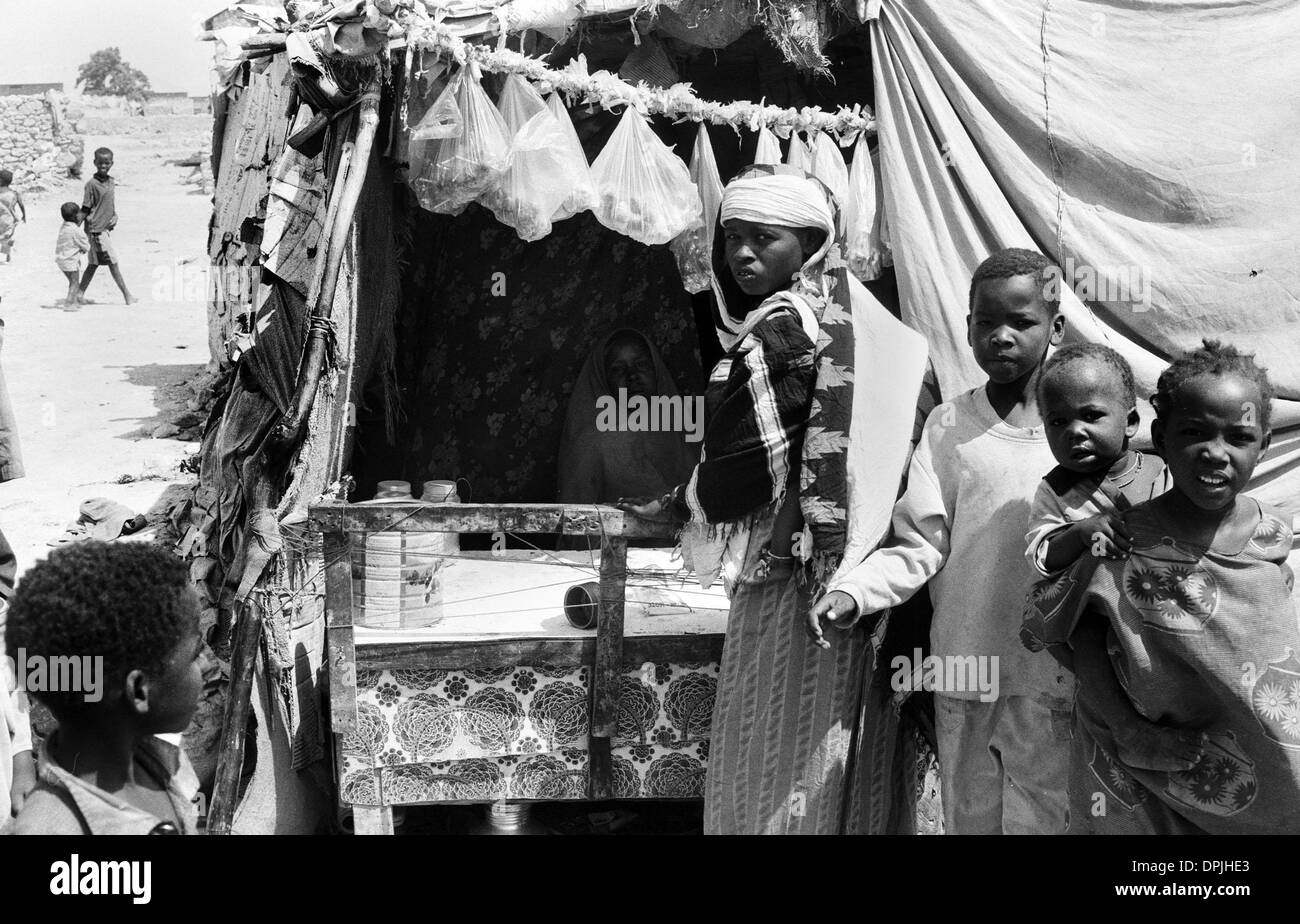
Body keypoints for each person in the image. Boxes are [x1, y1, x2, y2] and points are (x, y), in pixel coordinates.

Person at [624, 165, 931, 834]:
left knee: (772, 729)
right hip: (855, 558)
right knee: (836, 729)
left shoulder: (780, 330)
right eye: (732, 237)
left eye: (764, 238)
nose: (741, 254)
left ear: (813, 240)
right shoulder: (852, 316)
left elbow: (753, 466)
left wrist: (682, 502)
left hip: (788, 563)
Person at [811, 247, 1074, 834]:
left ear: (1056, 327)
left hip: (1052, 673)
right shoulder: (950, 426)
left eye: (1022, 323)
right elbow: (921, 544)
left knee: (1046, 819)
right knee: (970, 816)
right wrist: (856, 593)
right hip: (964, 666)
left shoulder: (1083, 435)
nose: (1001, 337)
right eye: (986, 323)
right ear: (968, 328)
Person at [1024, 339, 1300, 833]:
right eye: (1195, 433)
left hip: (1253, 766)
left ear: (1262, 446)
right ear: (1161, 436)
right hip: (1144, 766)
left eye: (1238, 438)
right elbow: (1071, 630)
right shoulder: (1127, 538)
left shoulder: (1273, 535)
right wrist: (1130, 731)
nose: (1216, 453)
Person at [1022, 343, 1202, 774]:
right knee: (1084, 628)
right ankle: (1128, 731)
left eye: (1092, 415)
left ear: (1132, 422)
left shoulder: (1162, 469)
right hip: (1102, 619)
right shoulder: (1058, 490)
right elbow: (1041, 554)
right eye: (1058, 422)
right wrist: (1081, 532)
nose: (1075, 431)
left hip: (1166, 606)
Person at [3, 542, 209, 834]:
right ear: (139, 690)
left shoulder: (161, 761)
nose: (207, 665)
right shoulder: (54, 837)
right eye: (195, 655)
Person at [558, 328, 697, 505]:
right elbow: (574, 522)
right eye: (617, 369)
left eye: (641, 365)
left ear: (656, 370)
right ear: (603, 379)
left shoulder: (681, 428)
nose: (632, 376)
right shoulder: (591, 445)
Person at [76, 147, 137, 305]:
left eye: (107, 163)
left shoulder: (111, 181)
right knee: (113, 262)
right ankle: (127, 295)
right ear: (95, 163)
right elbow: (85, 208)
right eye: (100, 163)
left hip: (105, 229)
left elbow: (108, 203)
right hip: (96, 230)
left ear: (112, 163)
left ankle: (78, 294)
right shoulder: (91, 184)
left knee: (93, 264)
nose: (103, 166)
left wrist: (115, 216)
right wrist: (74, 228)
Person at [54, 201, 90, 307]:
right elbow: (86, 246)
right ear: (76, 216)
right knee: (74, 282)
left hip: (61, 259)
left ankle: (74, 301)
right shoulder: (76, 230)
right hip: (70, 261)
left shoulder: (64, 226)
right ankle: (69, 303)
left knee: (72, 282)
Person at [0, 170, 26, 264]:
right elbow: (21, 204)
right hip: (10, 220)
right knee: (8, 238)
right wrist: (24, 216)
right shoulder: (14, 193)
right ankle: (8, 257)